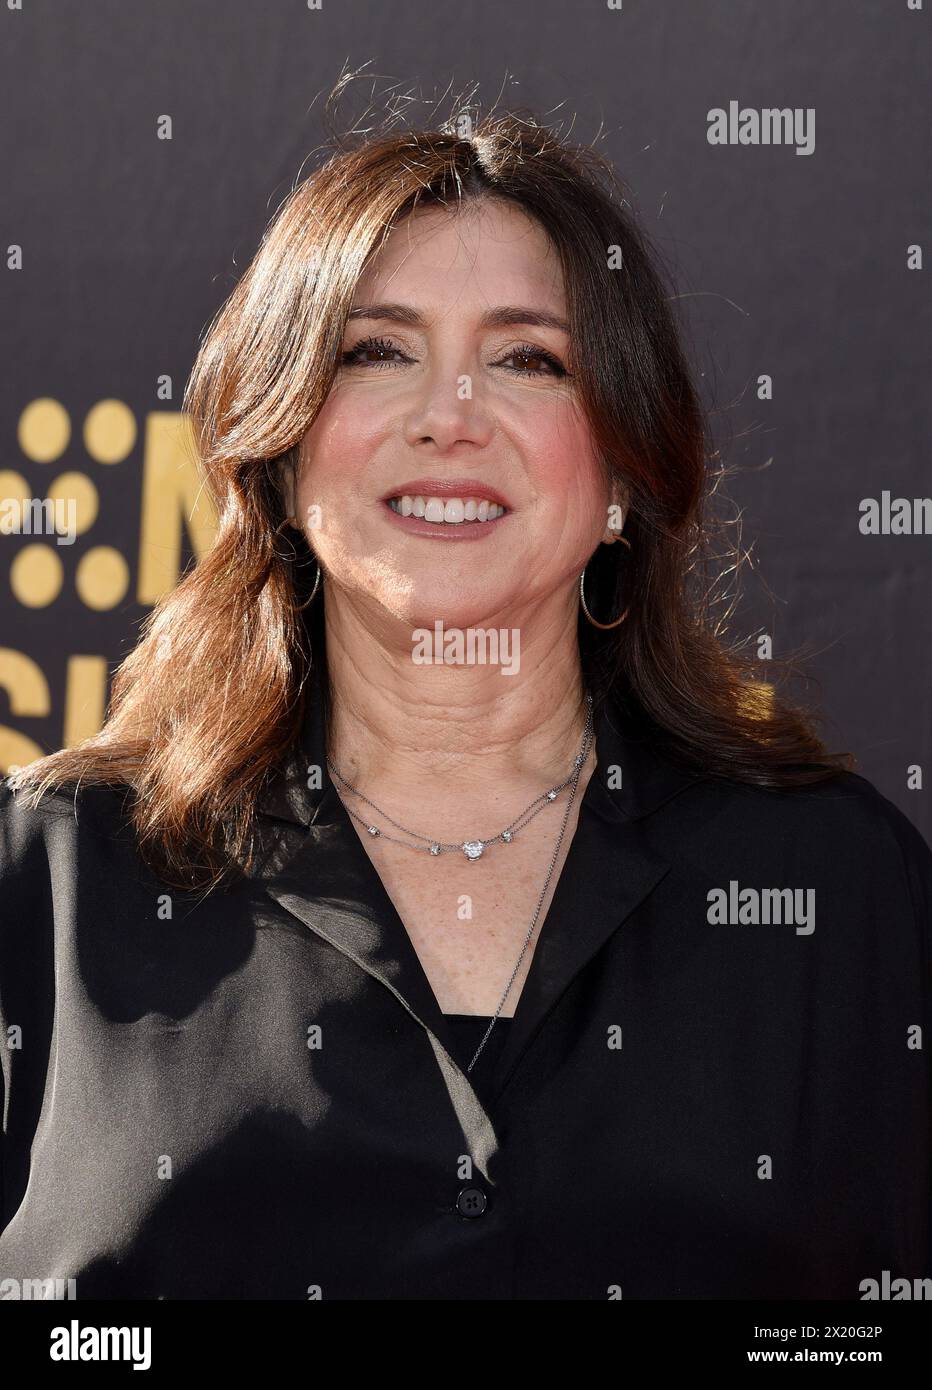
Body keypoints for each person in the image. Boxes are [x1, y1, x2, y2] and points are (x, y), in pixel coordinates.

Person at [1, 109, 929, 1301]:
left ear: (619, 481)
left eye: (528, 359)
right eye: (375, 351)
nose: (449, 412)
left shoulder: (837, 893)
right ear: (282, 457)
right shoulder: (55, 882)